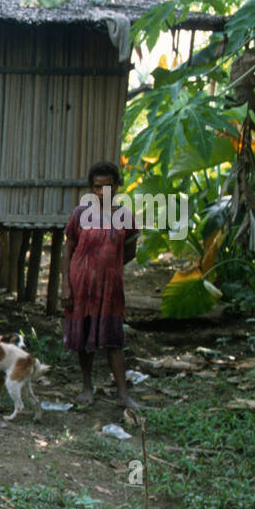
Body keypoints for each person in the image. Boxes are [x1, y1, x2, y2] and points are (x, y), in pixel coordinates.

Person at [61, 161, 142, 409]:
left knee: (114, 339)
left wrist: (109, 270)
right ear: (91, 188)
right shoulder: (79, 214)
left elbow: (130, 252)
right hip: (80, 284)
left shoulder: (125, 217)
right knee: (83, 337)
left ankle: (123, 395)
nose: (101, 192)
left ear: (117, 186)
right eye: (97, 187)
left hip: (110, 288)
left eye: (107, 186)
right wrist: (66, 285)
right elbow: (68, 250)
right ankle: (87, 387)